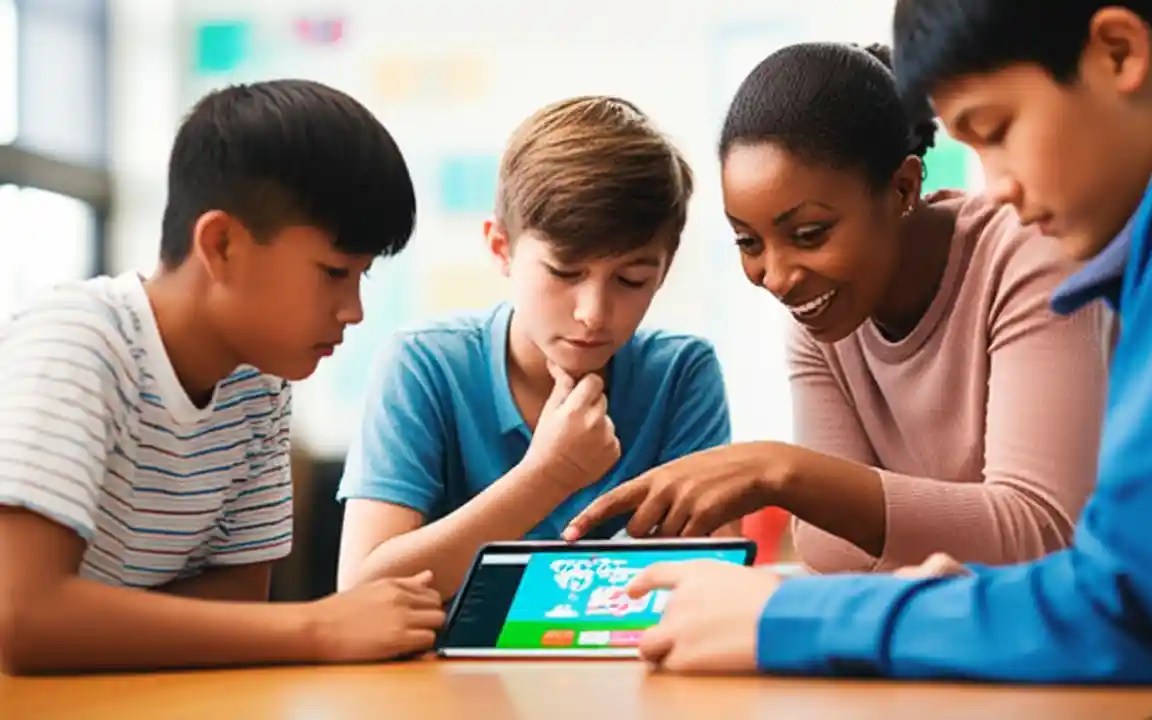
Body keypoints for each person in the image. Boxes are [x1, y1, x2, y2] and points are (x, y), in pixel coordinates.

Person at [622, 2, 1152, 711]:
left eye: (996, 133)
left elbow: (1145, 605)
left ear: (1119, 52)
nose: (995, 185)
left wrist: (788, 619)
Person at [563, 43, 1110, 578]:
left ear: (902, 188)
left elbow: (1043, 532)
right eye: (749, 242)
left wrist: (782, 472)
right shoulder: (823, 312)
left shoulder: (1029, 256)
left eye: (809, 233)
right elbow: (831, 552)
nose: (776, 277)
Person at [0, 80, 444, 674]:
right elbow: (22, 620)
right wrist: (318, 626)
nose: (353, 310)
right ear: (222, 244)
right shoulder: (77, 340)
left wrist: (94, 623)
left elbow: (236, 604)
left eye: (361, 276)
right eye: (334, 272)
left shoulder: (257, 386)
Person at [335, 96, 732, 599]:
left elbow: (708, 584)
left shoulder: (681, 374)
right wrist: (547, 475)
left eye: (631, 280)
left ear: (664, 270)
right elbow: (360, 590)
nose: (593, 312)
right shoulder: (424, 365)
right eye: (566, 273)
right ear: (501, 248)